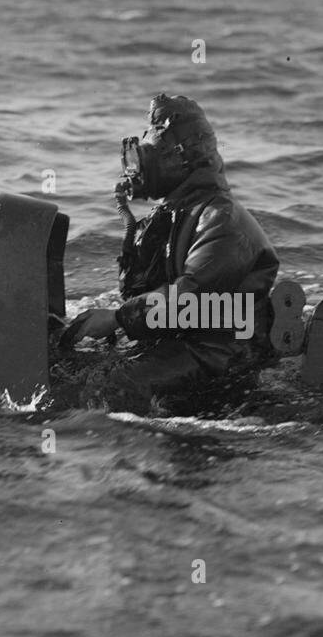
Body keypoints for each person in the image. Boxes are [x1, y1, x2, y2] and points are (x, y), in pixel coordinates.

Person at [59, 93, 280, 410]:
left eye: (147, 156)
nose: (137, 167)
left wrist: (118, 318)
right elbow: (140, 291)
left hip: (219, 352)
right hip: (179, 338)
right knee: (76, 369)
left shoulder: (223, 222)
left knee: (110, 386)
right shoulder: (174, 215)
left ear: (180, 159)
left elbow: (188, 299)